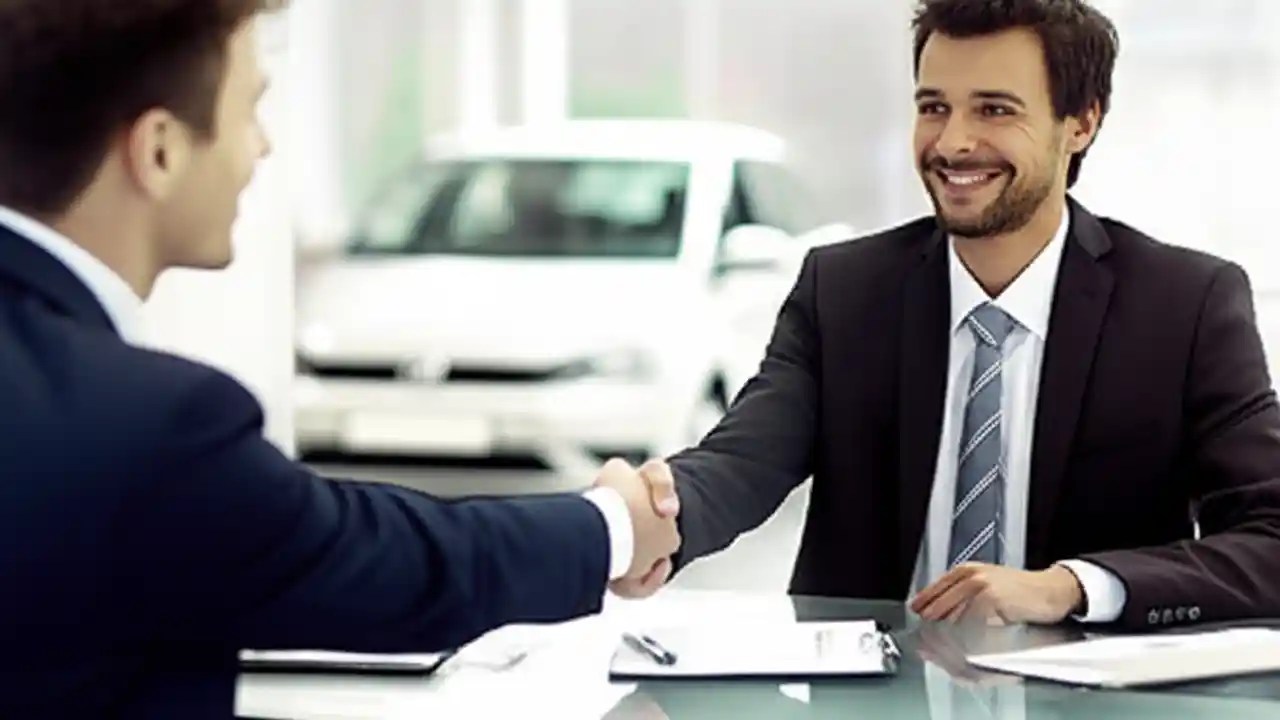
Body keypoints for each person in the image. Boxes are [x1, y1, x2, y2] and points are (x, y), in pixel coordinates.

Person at [0, 2, 679, 717]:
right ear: (161, 150)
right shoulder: (146, 425)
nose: (261, 148)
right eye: (251, 111)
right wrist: (617, 525)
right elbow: (393, 565)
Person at [612, 0, 1280, 631]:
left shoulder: (1185, 305)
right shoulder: (843, 290)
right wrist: (657, 514)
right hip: (874, 698)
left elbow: (1270, 537)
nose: (954, 142)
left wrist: (1071, 586)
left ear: (1081, 122)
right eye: (935, 106)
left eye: (994, 110)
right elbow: (743, 461)